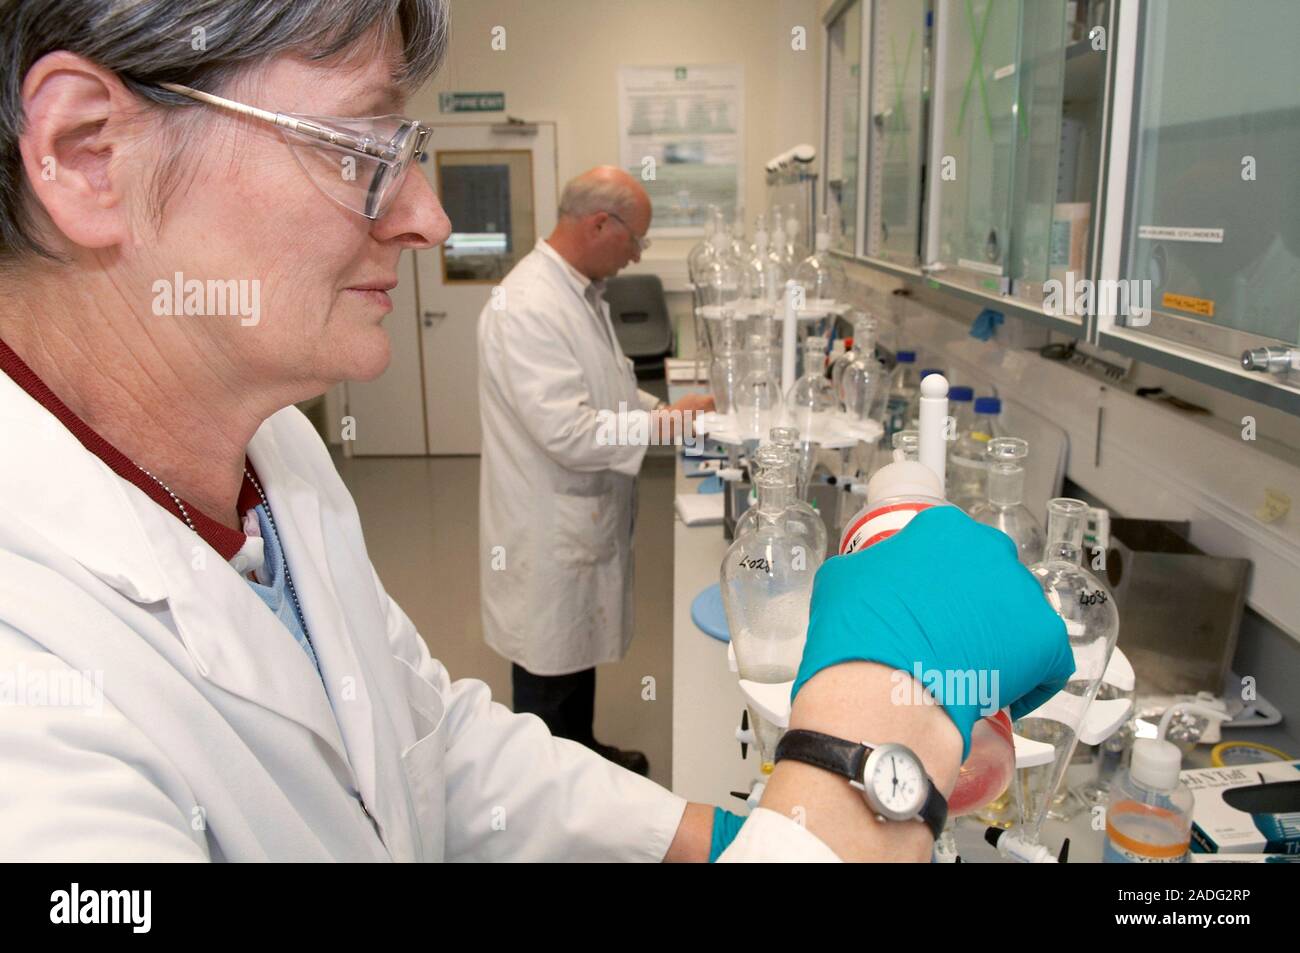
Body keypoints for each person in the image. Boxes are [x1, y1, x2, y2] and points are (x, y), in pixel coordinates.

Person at [0, 0, 1073, 862]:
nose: (423, 214)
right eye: (360, 146)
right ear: (91, 152)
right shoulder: (28, 692)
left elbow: (438, 747)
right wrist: (852, 761)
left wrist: (726, 834)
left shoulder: (277, 457)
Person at [477, 166, 712, 775]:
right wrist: (664, 426)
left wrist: (668, 413)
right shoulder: (528, 305)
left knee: (574, 653)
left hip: (578, 518)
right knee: (548, 666)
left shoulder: (581, 293)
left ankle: (582, 756)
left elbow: (611, 391)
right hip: (546, 526)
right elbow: (568, 432)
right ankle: (549, 796)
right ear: (600, 224)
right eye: (636, 238)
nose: (638, 255)